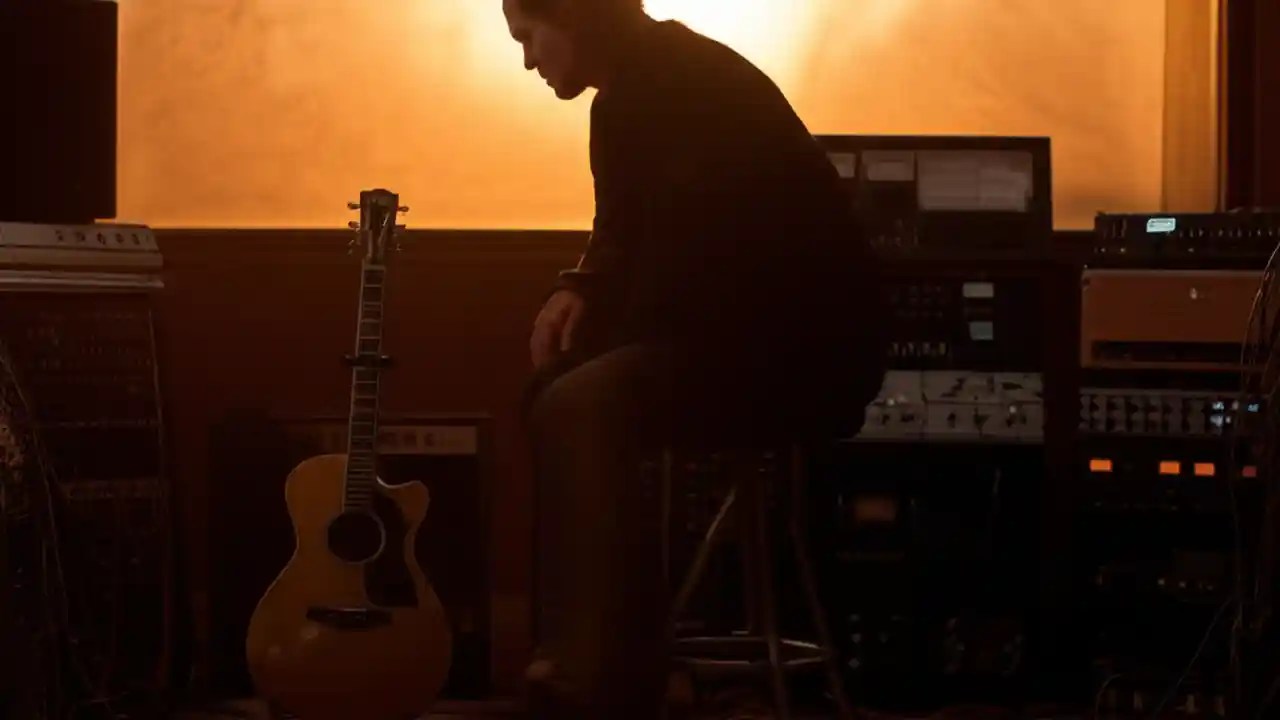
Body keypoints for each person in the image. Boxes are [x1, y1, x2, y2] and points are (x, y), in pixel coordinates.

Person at [505, 0, 888, 716]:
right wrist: (576, 287)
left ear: (575, 16)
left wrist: (605, 331)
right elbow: (622, 231)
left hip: (794, 352)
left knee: (583, 400)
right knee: (558, 390)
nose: (527, 59)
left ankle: (610, 673)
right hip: (723, 337)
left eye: (529, 36)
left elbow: (701, 264)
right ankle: (598, 645)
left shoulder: (691, 83)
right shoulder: (627, 97)